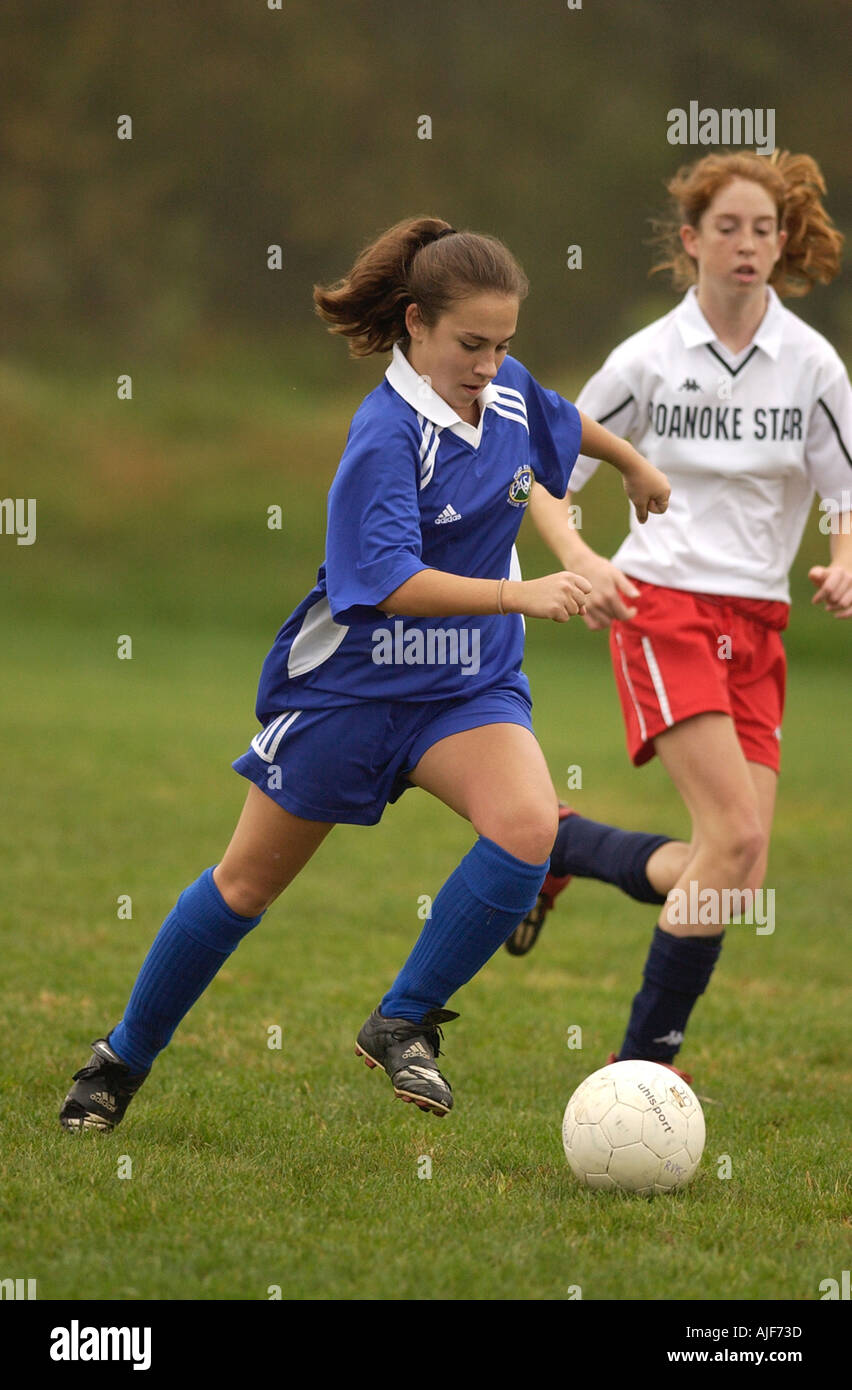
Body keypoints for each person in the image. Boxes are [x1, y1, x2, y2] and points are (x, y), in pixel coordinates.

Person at [59, 217, 670, 1129]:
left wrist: (631, 463)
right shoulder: (384, 436)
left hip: (465, 685)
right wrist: (524, 595)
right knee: (244, 887)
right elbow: (387, 582)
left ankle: (404, 1018)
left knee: (527, 827)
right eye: (471, 343)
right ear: (416, 324)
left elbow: (558, 415)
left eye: (504, 344)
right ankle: (121, 1059)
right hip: (353, 689)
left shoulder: (501, 394)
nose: (491, 364)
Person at [506, 151, 852, 1083]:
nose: (748, 246)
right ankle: (645, 1065)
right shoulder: (648, 359)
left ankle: (566, 845)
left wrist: (846, 561)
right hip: (662, 606)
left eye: (765, 230)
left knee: (734, 875)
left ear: (784, 245)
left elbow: (842, 489)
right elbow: (542, 473)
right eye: (729, 229)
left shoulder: (813, 365)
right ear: (692, 241)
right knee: (731, 842)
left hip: (760, 625)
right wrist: (582, 561)